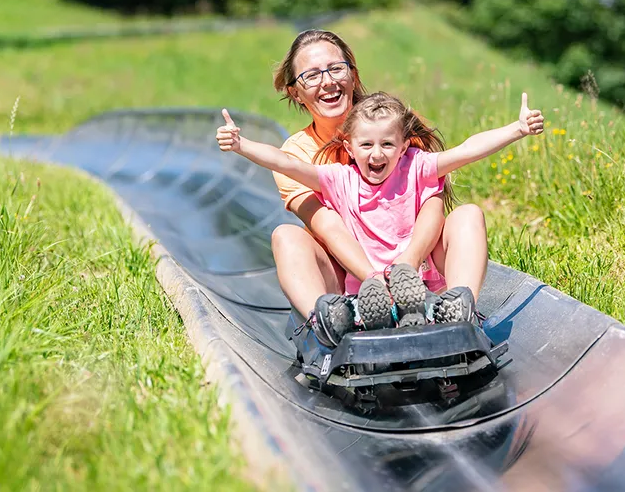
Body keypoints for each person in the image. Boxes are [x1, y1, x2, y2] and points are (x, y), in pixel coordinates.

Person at [217, 89, 545, 341]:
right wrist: (241, 145)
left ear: (404, 147)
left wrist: (517, 129)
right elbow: (287, 163)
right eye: (367, 145)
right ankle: (333, 321)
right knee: (285, 235)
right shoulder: (339, 178)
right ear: (349, 147)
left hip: (422, 288)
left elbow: (466, 150)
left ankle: (460, 309)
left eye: (388, 144)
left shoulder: (417, 167)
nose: (377, 154)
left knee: (470, 213)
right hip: (365, 294)